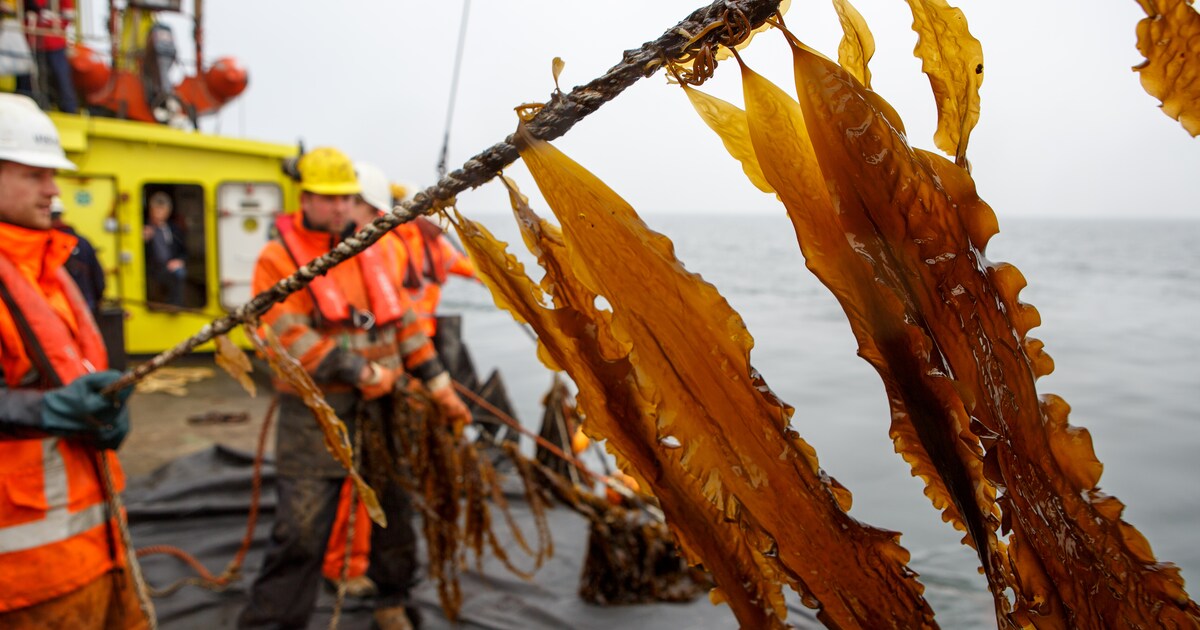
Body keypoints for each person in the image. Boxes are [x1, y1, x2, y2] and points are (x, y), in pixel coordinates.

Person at [238, 147, 472, 630]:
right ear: (305, 198)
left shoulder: (376, 248)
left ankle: (392, 602)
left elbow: (405, 322)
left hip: (385, 409)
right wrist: (363, 373)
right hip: (316, 415)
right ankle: (273, 623)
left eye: (346, 198)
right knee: (301, 528)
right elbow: (287, 335)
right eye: (328, 199)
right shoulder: (277, 257)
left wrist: (439, 383)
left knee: (395, 512)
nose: (340, 208)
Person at [0, 93, 139, 628]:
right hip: (25, 585)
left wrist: (104, 406)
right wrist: (47, 412)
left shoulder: (51, 267)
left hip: (103, 552)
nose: (53, 190)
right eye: (35, 174)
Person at [18, 0, 78, 113]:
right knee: (28, 78)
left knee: (60, 76)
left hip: (54, 43)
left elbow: (68, 15)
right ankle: (27, 108)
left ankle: (69, 110)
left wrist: (49, 21)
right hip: (31, 42)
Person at [50, 196, 105, 312]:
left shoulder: (44, 243)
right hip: (85, 304)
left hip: (56, 308)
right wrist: (98, 300)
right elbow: (98, 277)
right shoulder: (82, 242)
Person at [142, 190, 186, 307]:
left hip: (169, 265)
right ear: (150, 211)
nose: (158, 213)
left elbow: (184, 250)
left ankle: (174, 305)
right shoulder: (143, 227)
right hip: (151, 267)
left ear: (168, 212)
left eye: (162, 210)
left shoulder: (174, 229)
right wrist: (143, 241)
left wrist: (179, 261)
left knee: (179, 273)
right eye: (156, 209)